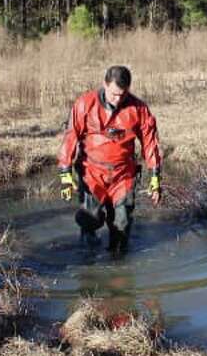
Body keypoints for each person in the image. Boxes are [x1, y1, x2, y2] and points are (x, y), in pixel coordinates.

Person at [57, 65, 162, 253]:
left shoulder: (138, 109)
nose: (118, 99)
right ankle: (88, 245)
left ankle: (118, 263)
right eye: (114, 94)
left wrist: (155, 176)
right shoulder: (85, 104)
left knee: (122, 223)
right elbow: (70, 136)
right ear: (104, 84)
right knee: (90, 218)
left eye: (123, 94)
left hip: (123, 174)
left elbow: (150, 141)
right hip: (92, 172)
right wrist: (65, 173)